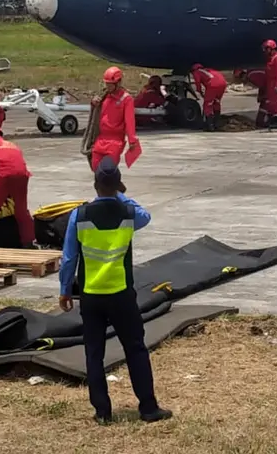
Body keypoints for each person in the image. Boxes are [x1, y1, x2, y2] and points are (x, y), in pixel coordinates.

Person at [58, 157, 172, 425]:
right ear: (118, 184)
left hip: (91, 294)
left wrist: (65, 289)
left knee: (94, 352)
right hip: (121, 293)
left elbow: (68, 258)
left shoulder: (79, 215)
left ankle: (102, 412)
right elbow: (146, 215)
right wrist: (120, 193)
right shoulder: (129, 214)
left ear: (95, 184)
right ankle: (148, 408)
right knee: (135, 349)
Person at [90, 67, 140, 171]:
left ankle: (114, 180)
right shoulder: (103, 96)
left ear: (119, 82)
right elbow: (96, 112)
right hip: (100, 139)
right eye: (106, 83)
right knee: (95, 168)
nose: (108, 86)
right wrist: (93, 103)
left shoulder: (126, 99)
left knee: (108, 170)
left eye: (111, 84)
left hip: (115, 141)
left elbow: (129, 121)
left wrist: (132, 140)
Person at [190, 63, 227, 131]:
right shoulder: (209, 70)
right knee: (216, 102)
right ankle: (217, 123)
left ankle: (209, 126)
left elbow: (198, 82)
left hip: (213, 85)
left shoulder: (196, 72)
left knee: (207, 104)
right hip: (223, 84)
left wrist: (199, 91)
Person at [258, 39, 277, 130]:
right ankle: (271, 118)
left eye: (267, 49)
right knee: (269, 101)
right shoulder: (271, 58)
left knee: (274, 101)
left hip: (273, 82)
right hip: (269, 82)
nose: (265, 51)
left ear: (271, 48)